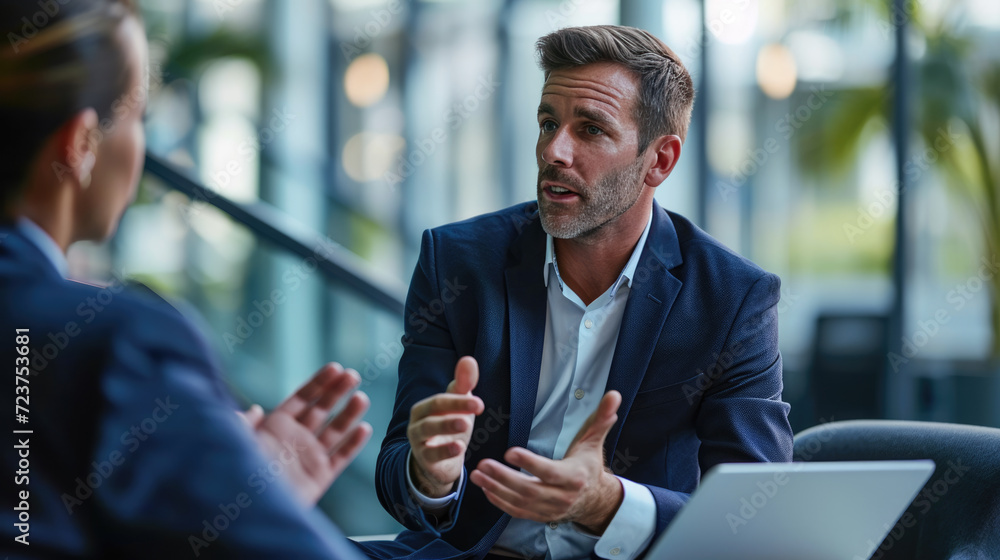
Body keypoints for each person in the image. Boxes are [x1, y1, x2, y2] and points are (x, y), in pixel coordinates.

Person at [358, 25, 793, 560]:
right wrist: (430, 476)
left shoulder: (732, 299)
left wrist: (607, 504)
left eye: (590, 129)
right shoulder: (457, 262)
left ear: (659, 160)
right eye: (548, 123)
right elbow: (398, 474)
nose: (553, 151)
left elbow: (757, 516)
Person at [0, 1, 372, 557]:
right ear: (81, 144)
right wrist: (245, 510)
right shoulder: (117, 344)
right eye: (139, 117)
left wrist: (230, 499)